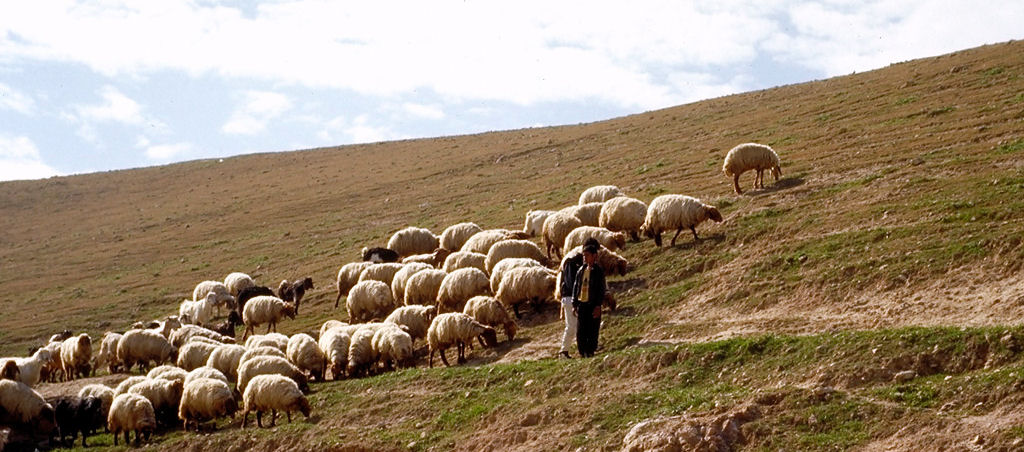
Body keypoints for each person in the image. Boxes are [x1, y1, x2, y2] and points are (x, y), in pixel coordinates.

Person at [572, 238, 607, 358]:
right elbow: (576, 287)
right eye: (583, 255)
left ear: (594, 256)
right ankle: (582, 351)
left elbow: (601, 289)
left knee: (593, 329)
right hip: (582, 304)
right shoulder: (580, 271)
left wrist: (598, 305)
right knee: (581, 330)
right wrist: (574, 304)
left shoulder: (598, 272)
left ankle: (590, 350)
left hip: (593, 304)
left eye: (587, 255)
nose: (584, 258)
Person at [557, 240, 586, 359]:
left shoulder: (581, 265)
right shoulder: (572, 263)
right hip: (570, 298)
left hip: (574, 298)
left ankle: (584, 347)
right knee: (571, 325)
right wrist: (576, 298)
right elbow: (571, 284)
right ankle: (563, 351)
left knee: (579, 324)